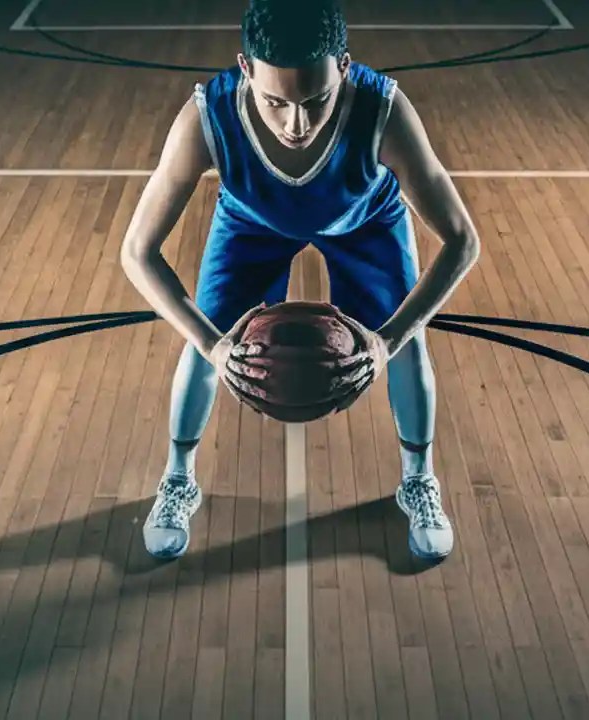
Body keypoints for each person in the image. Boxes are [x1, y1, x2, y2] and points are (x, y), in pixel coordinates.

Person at [120, 0, 480, 561]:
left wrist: (388, 339)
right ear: (245, 69)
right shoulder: (207, 117)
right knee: (201, 342)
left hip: (363, 218)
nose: (296, 123)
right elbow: (137, 253)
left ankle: (419, 479)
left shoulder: (382, 109)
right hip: (252, 220)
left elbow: (463, 240)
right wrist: (214, 345)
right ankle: (177, 477)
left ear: (343, 64)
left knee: (409, 347)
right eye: (274, 102)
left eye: (315, 101)